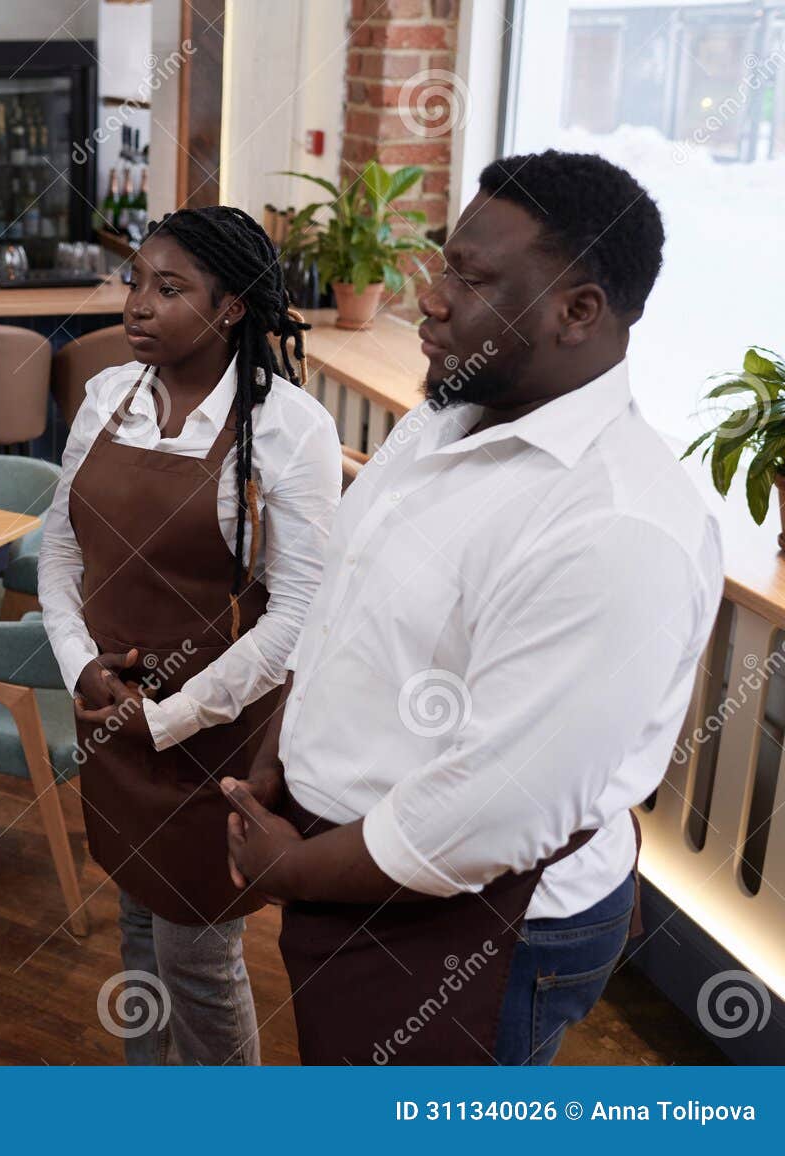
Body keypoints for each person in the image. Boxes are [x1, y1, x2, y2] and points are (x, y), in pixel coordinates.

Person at [222, 150, 723, 1065]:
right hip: (352, 875)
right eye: (443, 265)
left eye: (474, 279)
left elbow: (493, 812)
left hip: (483, 927)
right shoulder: (444, 418)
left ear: (580, 312)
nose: (433, 301)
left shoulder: (617, 525)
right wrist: (277, 759)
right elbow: (350, 606)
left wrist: (292, 868)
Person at [38, 206, 340, 1065]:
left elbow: (300, 613)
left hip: (216, 743)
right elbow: (61, 548)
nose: (137, 304)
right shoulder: (106, 398)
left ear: (232, 306)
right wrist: (82, 672)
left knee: (196, 958)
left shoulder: (288, 429)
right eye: (135, 281)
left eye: (169, 289)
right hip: (110, 723)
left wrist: (169, 718)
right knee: (139, 928)